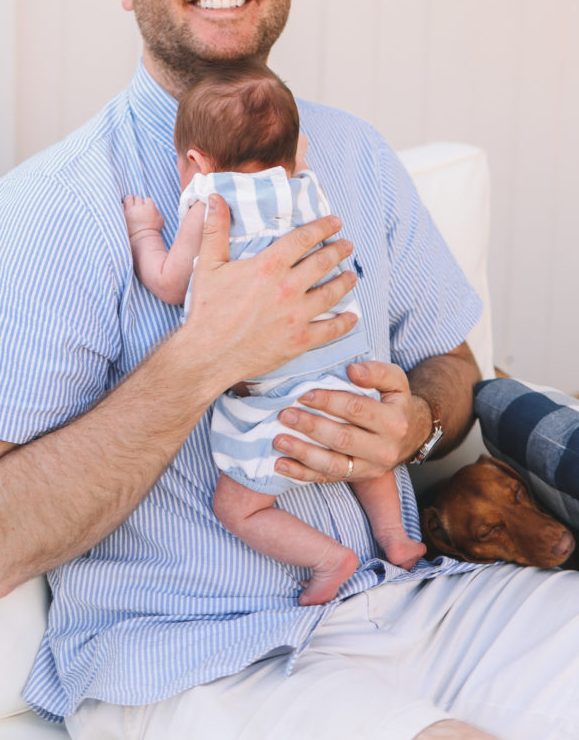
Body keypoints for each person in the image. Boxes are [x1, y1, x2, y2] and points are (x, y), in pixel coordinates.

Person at [0, 0, 579, 740]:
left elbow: (455, 369)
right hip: (190, 656)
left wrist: (410, 424)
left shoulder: (357, 156)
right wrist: (205, 355)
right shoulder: (54, 207)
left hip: (410, 598)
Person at [123, 59, 425, 603]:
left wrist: (146, 231)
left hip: (276, 402)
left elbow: (169, 283)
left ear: (195, 162)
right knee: (370, 455)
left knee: (237, 507)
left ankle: (329, 560)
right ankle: (397, 538)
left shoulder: (208, 203)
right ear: (293, 150)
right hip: (345, 374)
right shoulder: (306, 186)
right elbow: (295, 151)